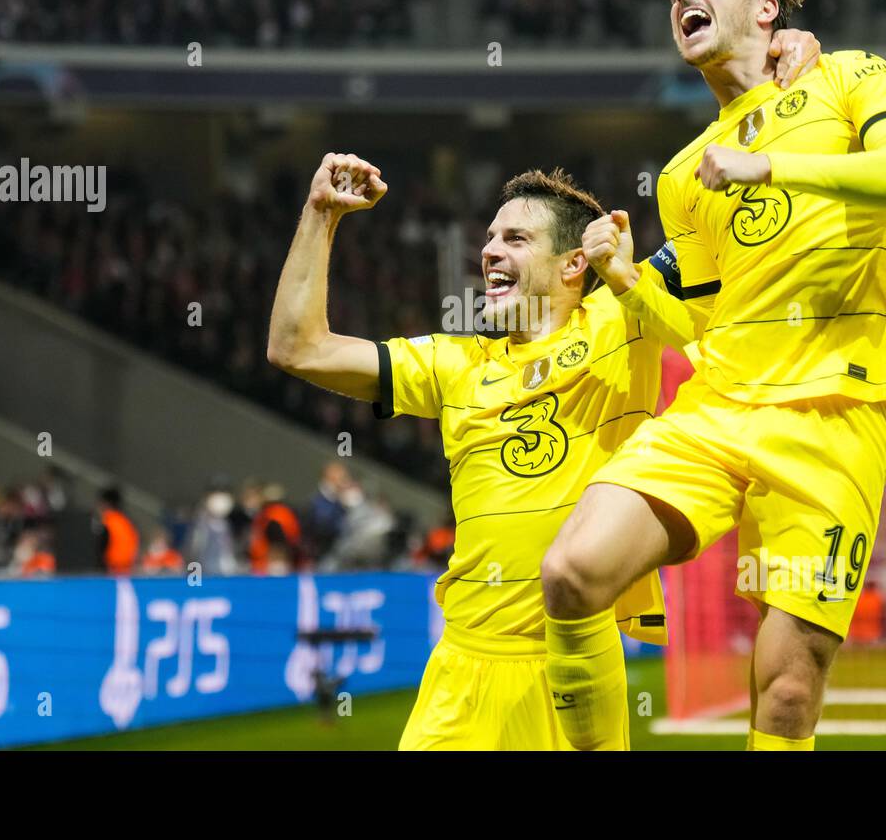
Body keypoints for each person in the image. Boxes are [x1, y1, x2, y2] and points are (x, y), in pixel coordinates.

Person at [264, 82, 822, 748]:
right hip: (460, 673)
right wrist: (321, 212)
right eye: (491, 237)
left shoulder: (622, 316)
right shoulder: (453, 363)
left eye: (517, 239)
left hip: (569, 673)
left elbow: (734, 230)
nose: (491, 251)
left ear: (574, 264)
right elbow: (299, 347)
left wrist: (782, 87)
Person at [539, 0, 886, 752]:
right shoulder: (685, 174)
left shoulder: (852, 77)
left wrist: (772, 162)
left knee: (788, 692)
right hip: (715, 411)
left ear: (768, 11)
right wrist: (624, 285)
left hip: (832, 416)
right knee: (572, 575)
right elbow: (698, 327)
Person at [95, 485, 140, 576]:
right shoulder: (127, 522)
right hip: (128, 571)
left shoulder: (107, 523)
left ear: (105, 503)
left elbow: (99, 549)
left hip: (112, 571)